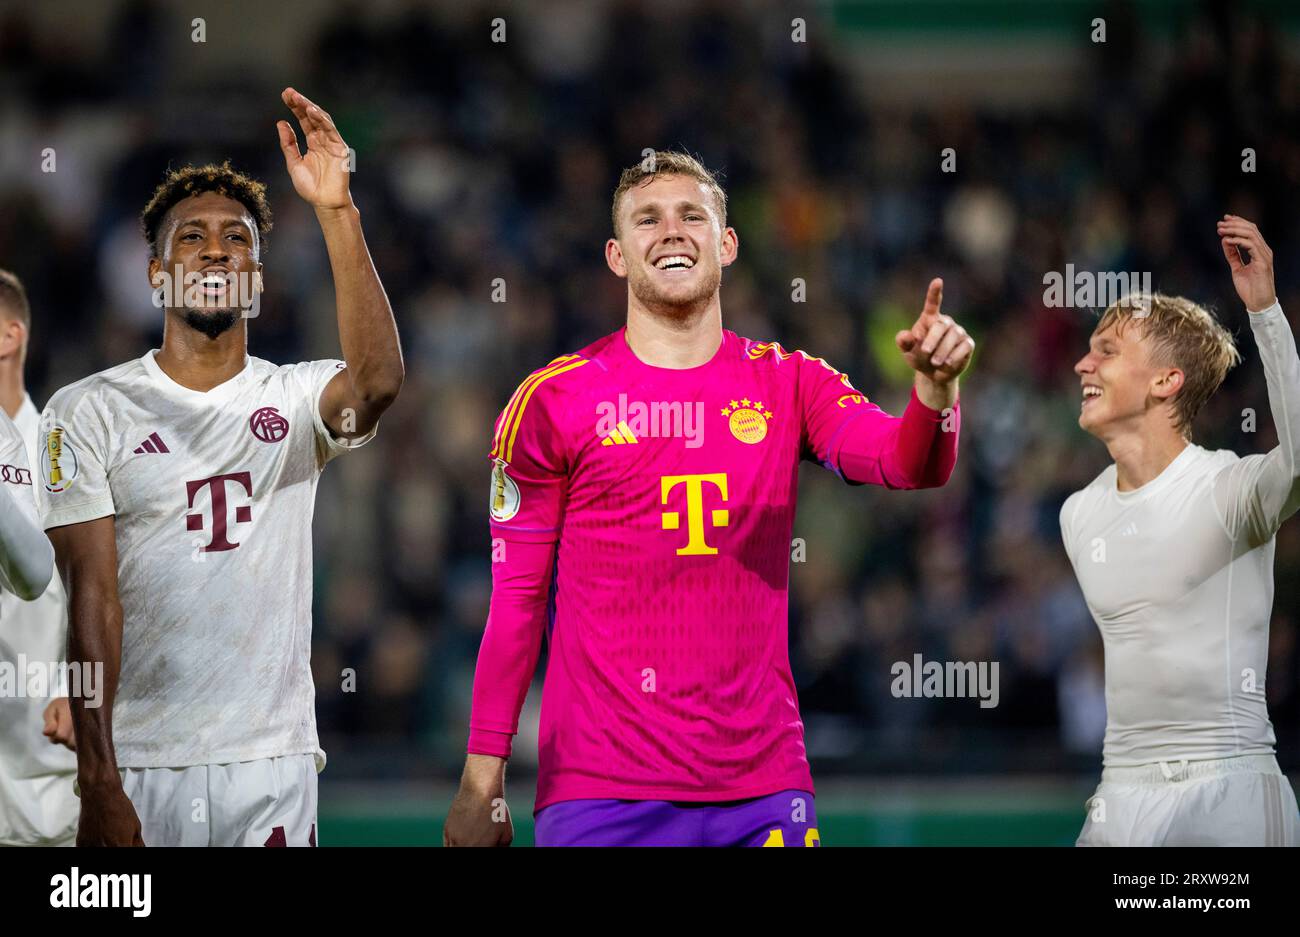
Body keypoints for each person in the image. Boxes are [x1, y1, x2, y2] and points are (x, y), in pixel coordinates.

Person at [444, 151, 972, 846]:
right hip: (602, 791)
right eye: (647, 219)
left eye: (692, 215)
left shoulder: (791, 384)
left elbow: (909, 464)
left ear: (726, 243)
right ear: (616, 254)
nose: (671, 231)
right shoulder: (551, 402)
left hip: (762, 788)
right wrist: (482, 779)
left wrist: (935, 393)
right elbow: (516, 601)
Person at [36, 88, 403, 846]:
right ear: (154, 274)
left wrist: (337, 211)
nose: (213, 249)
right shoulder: (87, 410)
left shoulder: (295, 397)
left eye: (236, 238)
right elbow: (92, 602)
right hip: (139, 758)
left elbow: (376, 382)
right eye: (191, 237)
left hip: (269, 761)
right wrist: (98, 781)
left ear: (258, 275)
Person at [1062, 215, 1300, 846]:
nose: (1084, 362)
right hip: (1121, 794)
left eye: (1108, 350)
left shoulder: (1228, 492)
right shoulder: (1078, 515)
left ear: (1167, 381)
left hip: (1233, 788)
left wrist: (1266, 314)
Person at [0, 268, 78, 846]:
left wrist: (86, 690)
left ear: (10, 336)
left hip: (53, 790)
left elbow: (111, 589)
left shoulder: (66, 448)